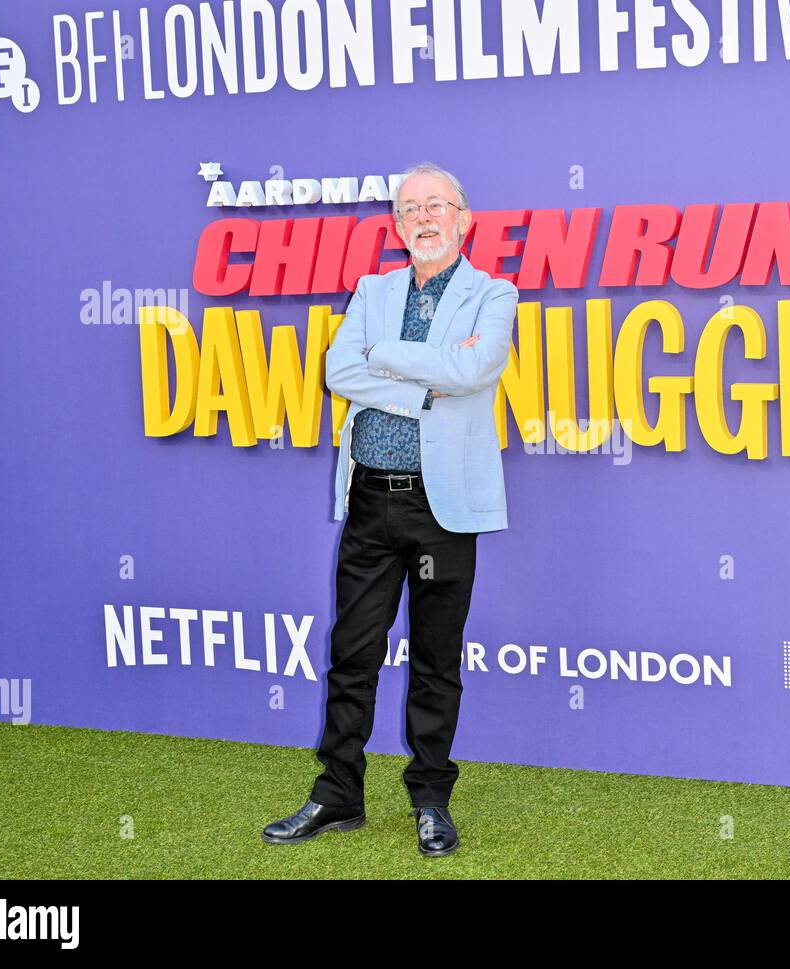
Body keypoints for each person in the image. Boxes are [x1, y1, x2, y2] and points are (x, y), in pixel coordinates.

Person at [262, 162, 519, 856]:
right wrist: (422, 379)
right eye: (410, 209)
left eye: (438, 206)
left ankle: (431, 800)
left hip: (444, 508)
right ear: (397, 226)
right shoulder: (372, 290)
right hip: (372, 498)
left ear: (464, 220)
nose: (424, 218)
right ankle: (337, 794)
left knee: (436, 660)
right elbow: (339, 371)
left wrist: (385, 360)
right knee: (353, 652)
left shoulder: (495, 293)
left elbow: (474, 370)